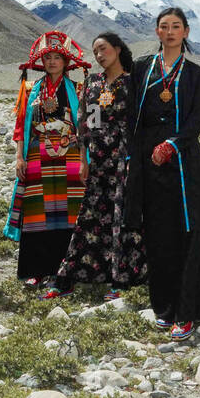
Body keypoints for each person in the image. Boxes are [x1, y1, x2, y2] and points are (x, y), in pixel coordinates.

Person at [125, 8, 200, 341]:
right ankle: (163, 307)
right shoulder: (142, 69)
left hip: (182, 160)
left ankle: (186, 312)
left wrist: (172, 145)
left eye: (177, 26)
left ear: (187, 32)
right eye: (164, 27)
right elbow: (132, 114)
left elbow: (196, 119)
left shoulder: (194, 74)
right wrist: (134, 155)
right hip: (148, 161)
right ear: (157, 32)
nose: (171, 31)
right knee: (157, 232)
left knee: (186, 233)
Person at [47, 33, 147, 299]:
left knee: (120, 216)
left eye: (103, 49)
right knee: (89, 215)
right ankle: (68, 276)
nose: (99, 55)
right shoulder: (92, 82)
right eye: (95, 52)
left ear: (117, 49)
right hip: (97, 158)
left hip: (124, 157)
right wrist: (83, 159)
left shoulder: (133, 82)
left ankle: (121, 278)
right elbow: (84, 123)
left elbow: (139, 123)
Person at [3, 30, 91, 293]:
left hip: (70, 156)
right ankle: (36, 271)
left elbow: (85, 127)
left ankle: (65, 270)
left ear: (66, 62)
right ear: (42, 62)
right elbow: (21, 125)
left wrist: (86, 159)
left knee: (68, 216)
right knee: (36, 215)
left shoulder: (77, 89)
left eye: (57, 57)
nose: (52, 62)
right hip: (37, 157)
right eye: (48, 57)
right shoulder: (30, 89)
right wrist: (19, 156)